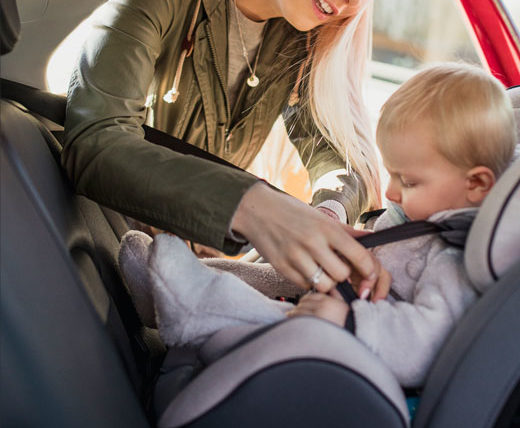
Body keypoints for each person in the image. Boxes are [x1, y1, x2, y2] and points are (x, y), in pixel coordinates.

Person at [119, 62, 519, 388]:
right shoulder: (425, 216)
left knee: (270, 316)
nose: (392, 193)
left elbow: (425, 345)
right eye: (392, 175)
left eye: (409, 181)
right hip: (341, 294)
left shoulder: (456, 259)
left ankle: (187, 300)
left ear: (477, 184)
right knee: (273, 274)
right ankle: (166, 283)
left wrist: (347, 321)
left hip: (345, 346)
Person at [62, 0, 389, 297]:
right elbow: (97, 141)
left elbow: (340, 153)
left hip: (188, 263)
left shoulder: (304, 38)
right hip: (107, 246)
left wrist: (327, 216)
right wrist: (252, 208)